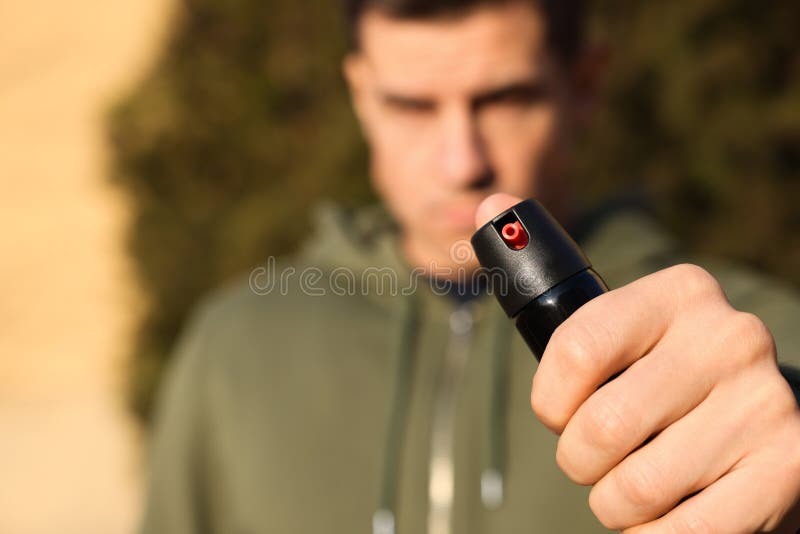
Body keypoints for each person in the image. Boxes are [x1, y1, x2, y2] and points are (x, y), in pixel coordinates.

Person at [140, 0, 800, 532]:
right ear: (361, 96)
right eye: (412, 105)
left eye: (504, 99)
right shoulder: (232, 347)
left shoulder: (750, 341)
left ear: (583, 87)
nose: (462, 163)